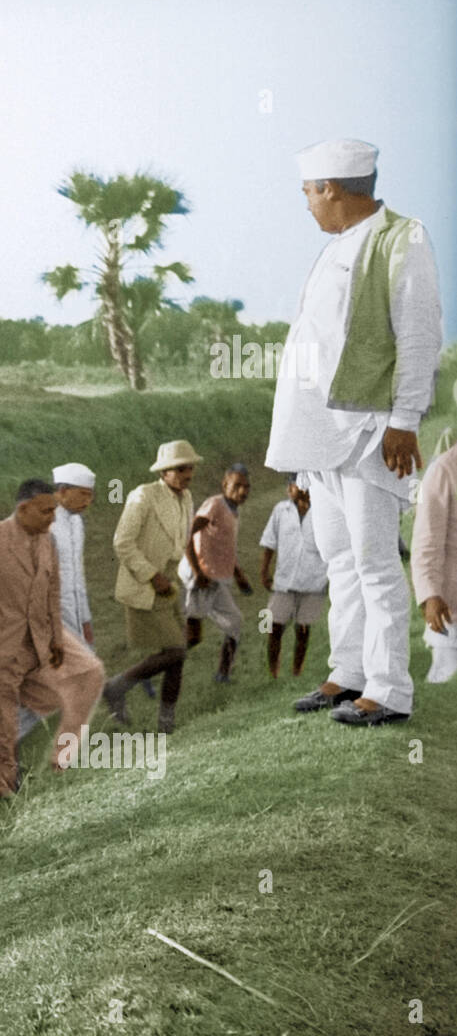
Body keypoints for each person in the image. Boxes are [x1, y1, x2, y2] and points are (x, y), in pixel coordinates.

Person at [265, 139, 443, 726]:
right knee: (339, 558)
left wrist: (404, 421)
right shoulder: (339, 246)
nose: (307, 205)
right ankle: (350, 673)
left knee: (373, 562)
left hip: (369, 432)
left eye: (308, 194)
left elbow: (419, 335)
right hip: (323, 436)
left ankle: (389, 691)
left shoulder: (401, 239)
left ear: (332, 189)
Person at [0, 479, 104, 791]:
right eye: (46, 511)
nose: (52, 518)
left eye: (53, 511)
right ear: (23, 509)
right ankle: (4, 792)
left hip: (34, 640)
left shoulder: (48, 541)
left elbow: (52, 591)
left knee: (88, 674)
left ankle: (61, 757)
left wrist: (57, 640)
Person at [104, 440, 201, 733]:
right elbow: (122, 542)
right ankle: (116, 686)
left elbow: (180, 543)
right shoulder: (143, 496)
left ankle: (166, 723)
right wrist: (151, 575)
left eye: (190, 468)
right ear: (165, 472)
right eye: (181, 469)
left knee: (177, 653)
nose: (188, 474)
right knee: (176, 651)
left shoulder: (186, 498)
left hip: (171, 584)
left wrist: (183, 575)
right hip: (144, 586)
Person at [182, 464, 253, 683]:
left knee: (234, 623)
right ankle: (154, 666)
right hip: (201, 578)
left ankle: (223, 674)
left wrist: (239, 575)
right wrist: (197, 571)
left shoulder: (233, 512)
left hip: (216, 579)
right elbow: (187, 535)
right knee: (193, 636)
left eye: (247, 487)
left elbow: (225, 548)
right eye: (237, 485)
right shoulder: (214, 505)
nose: (242, 491)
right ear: (225, 485)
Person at [259, 475, 328, 679]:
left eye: (297, 484)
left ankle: (297, 671)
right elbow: (269, 542)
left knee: (303, 629)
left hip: (314, 581)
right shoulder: (282, 510)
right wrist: (264, 571)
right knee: (274, 626)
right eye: (290, 485)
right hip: (284, 581)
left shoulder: (322, 510)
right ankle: (273, 672)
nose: (292, 488)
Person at [411, 434, 457, 683]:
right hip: (451, 612)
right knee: (446, 683)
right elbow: (426, 542)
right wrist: (430, 595)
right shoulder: (443, 470)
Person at [51, 463, 97, 648]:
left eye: (90, 495)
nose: (88, 501)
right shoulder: (44, 523)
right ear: (62, 491)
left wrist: (85, 619)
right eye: (83, 494)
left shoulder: (77, 522)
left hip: (76, 608)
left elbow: (78, 573)